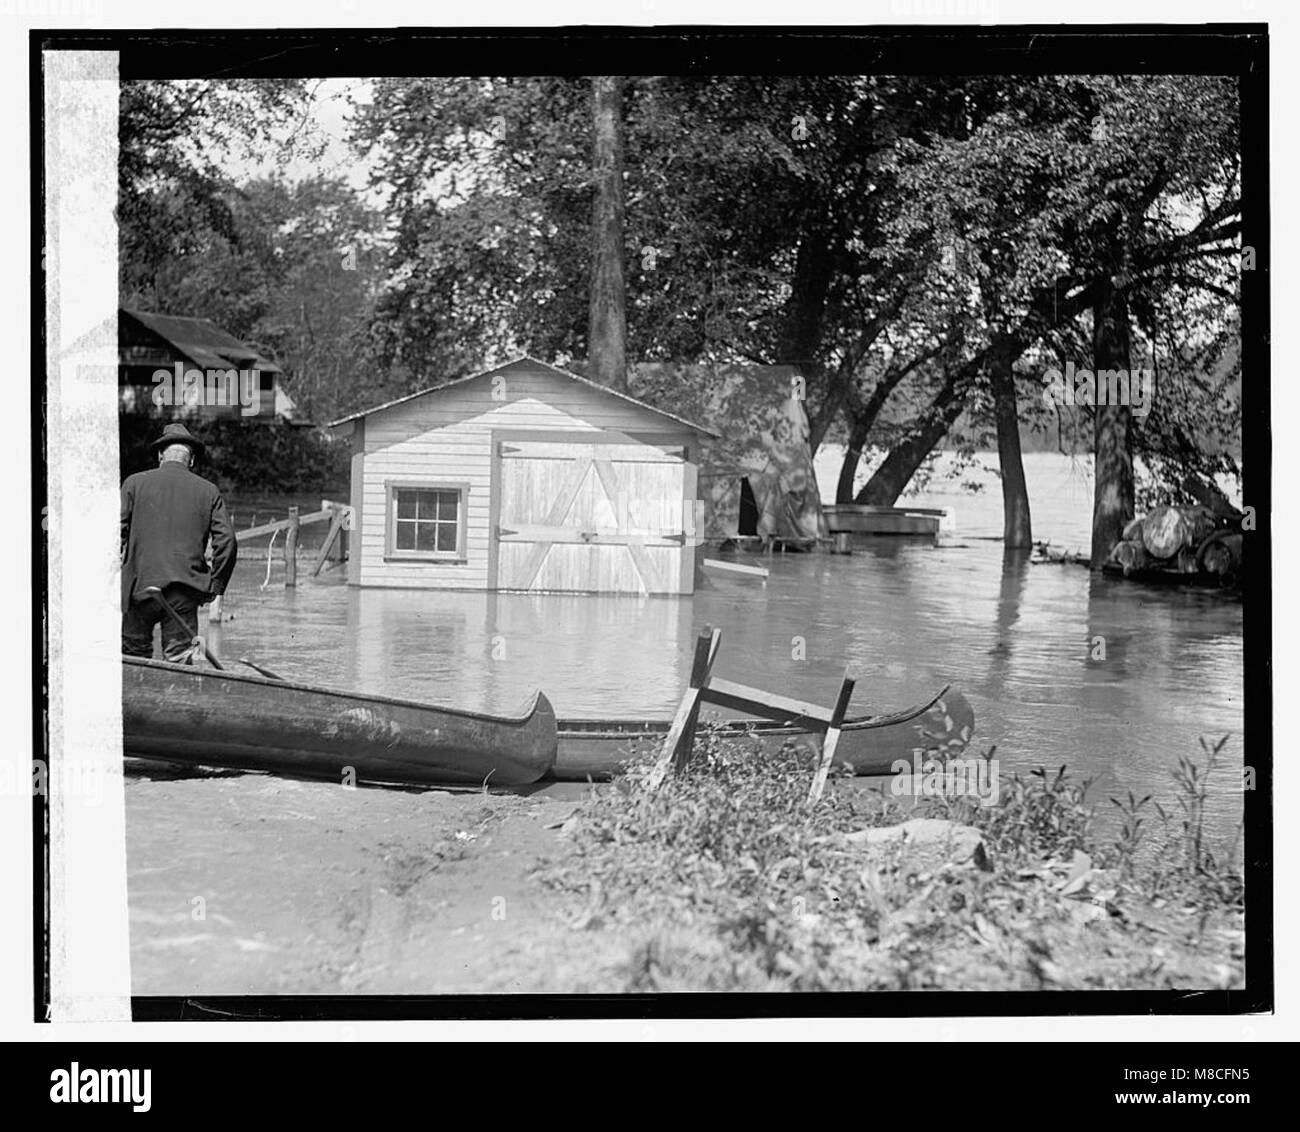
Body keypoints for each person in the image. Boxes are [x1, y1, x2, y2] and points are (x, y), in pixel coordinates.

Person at [121, 423, 237, 662]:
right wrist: (216, 585)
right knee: (179, 662)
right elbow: (227, 541)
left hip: (138, 588)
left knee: (134, 659)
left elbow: (112, 536)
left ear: (160, 455)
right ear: (191, 459)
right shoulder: (208, 491)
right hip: (184, 592)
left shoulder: (133, 484)